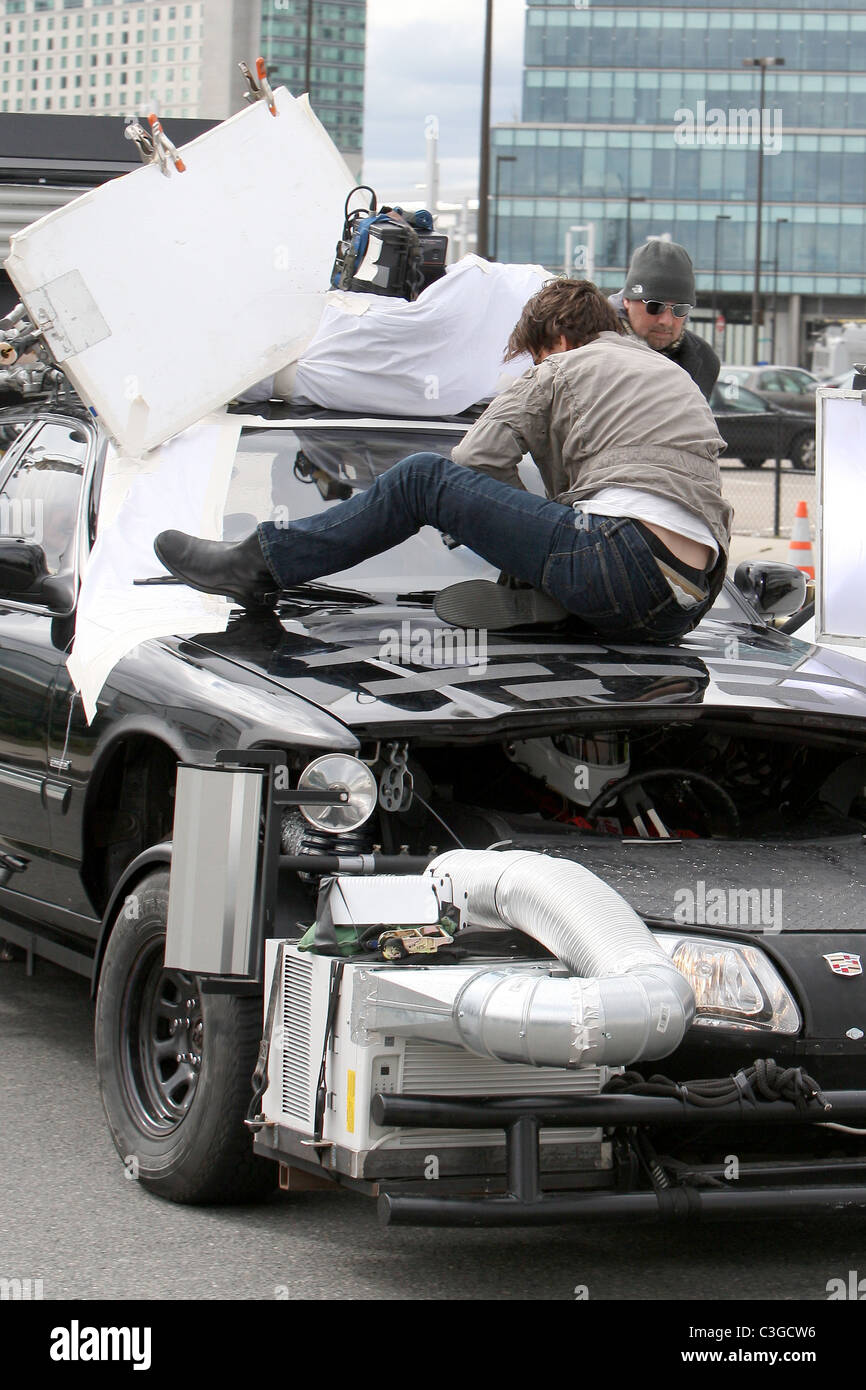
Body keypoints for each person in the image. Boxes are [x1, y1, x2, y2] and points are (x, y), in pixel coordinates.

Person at [154, 280, 732, 646]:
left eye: (533, 356)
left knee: (421, 478)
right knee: (578, 541)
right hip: (687, 602)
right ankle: (555, 604)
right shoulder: (670, 375)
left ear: (556, 338)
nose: (535, 366)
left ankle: (258, 562)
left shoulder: (562, 367)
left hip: (619, 559)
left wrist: (507, 526)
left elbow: (475, 461)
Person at [609, 241, 720, 400]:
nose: (666, 321)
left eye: (679, 309)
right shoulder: (588, 342)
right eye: (655, 307)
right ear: (627, 300)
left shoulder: (705, 359)